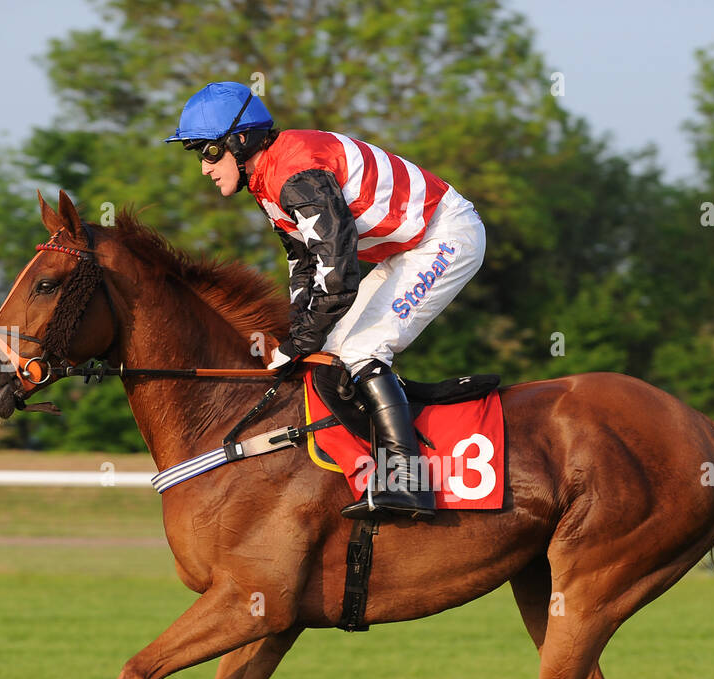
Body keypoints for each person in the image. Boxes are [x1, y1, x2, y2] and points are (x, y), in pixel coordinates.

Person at [165, 81, 486, 522]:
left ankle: (408, 482)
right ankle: (359, 463)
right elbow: (304, 267)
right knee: (328, 348)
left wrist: (296, 344)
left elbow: (336, 278)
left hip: (444, 236)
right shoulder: (265, 182)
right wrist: (297, 335)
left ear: (239, 141)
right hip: (405, 248)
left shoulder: (298, 176)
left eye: (207, 152)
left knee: (359, 349)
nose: (204, 168)